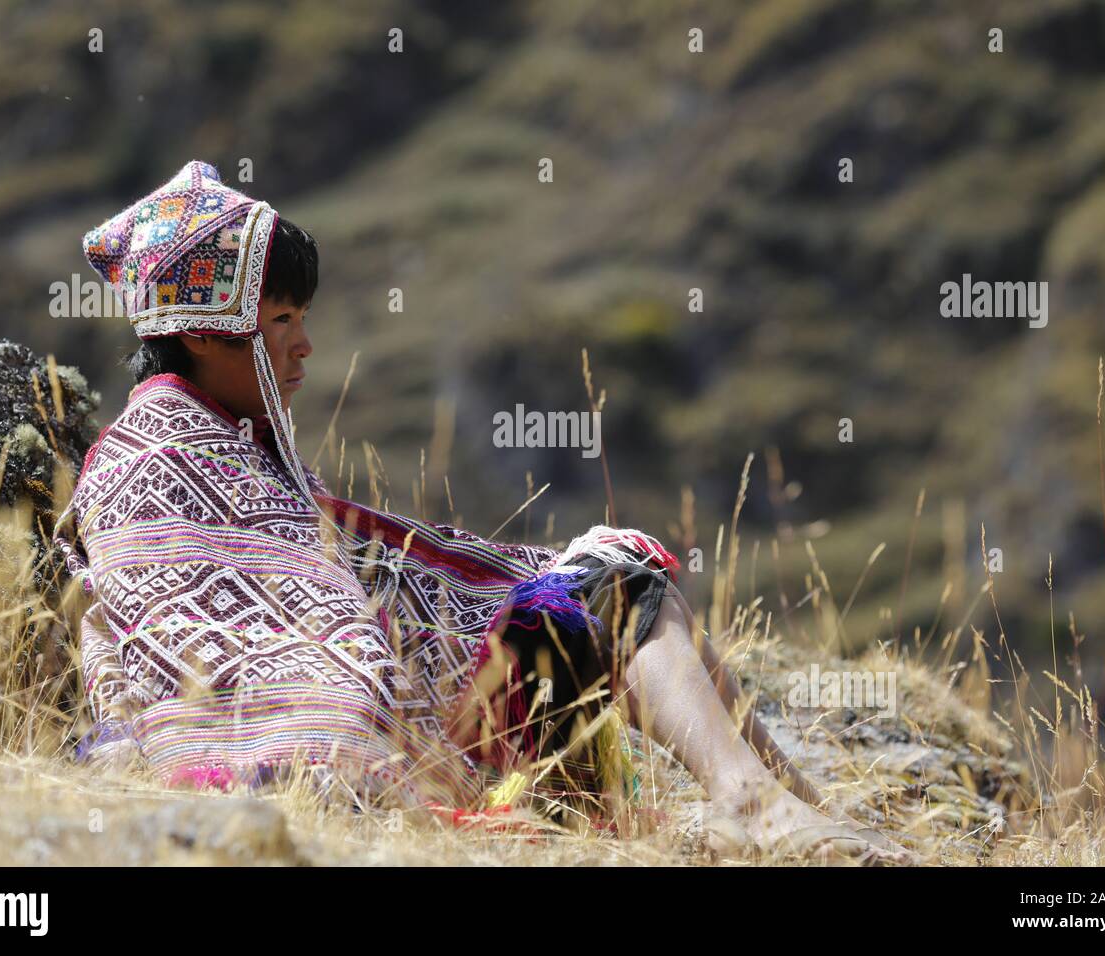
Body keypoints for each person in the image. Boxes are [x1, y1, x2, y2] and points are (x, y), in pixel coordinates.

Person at [56, 161, 914, 864]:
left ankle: (785, 807)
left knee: (623, 593)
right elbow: (260, 619)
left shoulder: (222, 440)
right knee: (623, 595)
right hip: (323, 746)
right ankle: (767, 808)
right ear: (208, 329)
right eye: (280, 318)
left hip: (383, 719)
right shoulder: (161, 453)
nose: (305, 344)